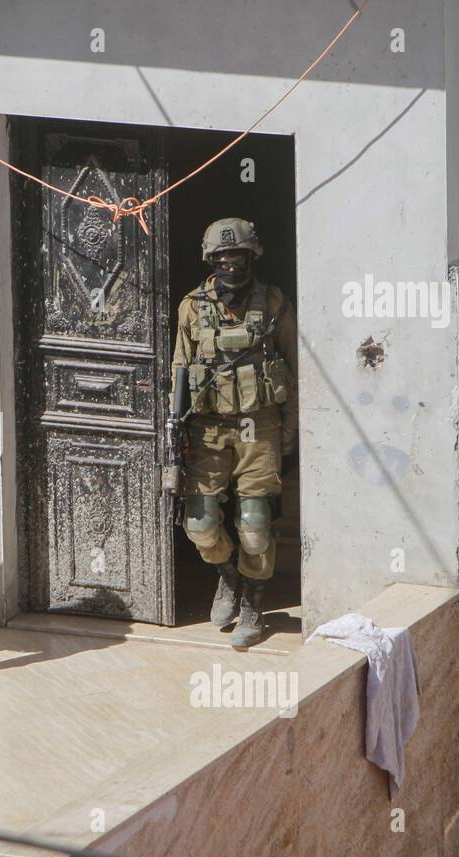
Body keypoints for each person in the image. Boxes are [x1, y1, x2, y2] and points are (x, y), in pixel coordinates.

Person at [171, 218, 298, 647]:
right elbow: (180, 367)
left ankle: (253, 602)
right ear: (211, 260)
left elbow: (295, 369)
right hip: (208, 429)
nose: (230, 266)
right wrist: (175, 426)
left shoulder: (274, 302)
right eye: (222, 259)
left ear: (251, 257)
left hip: (258, 425)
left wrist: (291, 428)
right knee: (200, 523)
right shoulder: (191, 305)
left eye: (238, 257)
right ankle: (227, 576)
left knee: (256, 523)